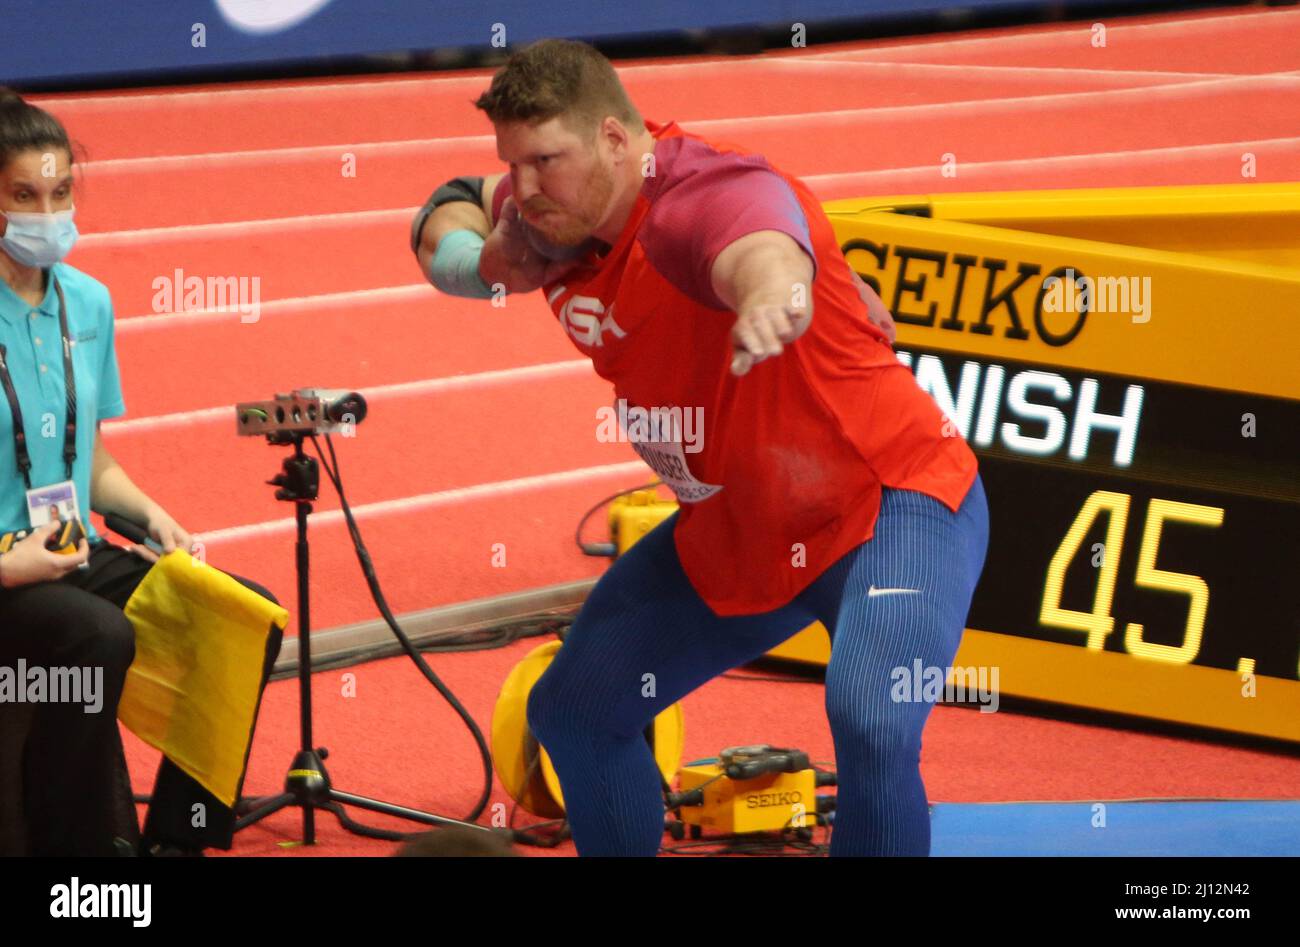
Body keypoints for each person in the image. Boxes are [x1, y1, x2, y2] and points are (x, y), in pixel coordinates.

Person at [412, 40, 988, 856]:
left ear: (618, 139)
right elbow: (445, 206)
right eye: (516, 163)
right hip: (743, 526)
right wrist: (487, 261)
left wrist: (770, 297)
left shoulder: (695, 199)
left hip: (889, 504)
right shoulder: (550, 213)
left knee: (871, 711)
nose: (527, 186)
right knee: (575, 709)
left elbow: (761, 237)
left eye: (545, 161)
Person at [0, 89, 282, 857]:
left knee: (242, 615)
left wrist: (154, 516)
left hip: (67, 552)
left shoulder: (87, 303)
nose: (47, 214)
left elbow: (88, 463)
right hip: (4, 573)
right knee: (97, 635)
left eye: (60, 194)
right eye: (25, 195)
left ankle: (177, 840)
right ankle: (74, 860)